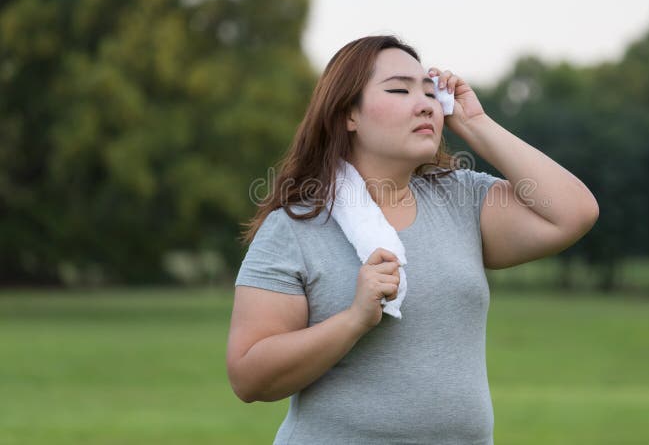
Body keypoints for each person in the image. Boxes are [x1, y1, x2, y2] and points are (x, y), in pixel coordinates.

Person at [226, 35, 599, 444]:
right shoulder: (295, 226)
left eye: (429, 91)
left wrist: (475, 123)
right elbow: (249, 377)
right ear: (349, 114)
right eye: (399, 89)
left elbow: (573, 212)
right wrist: (352, 321)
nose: (424, 103)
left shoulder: (461, 200)